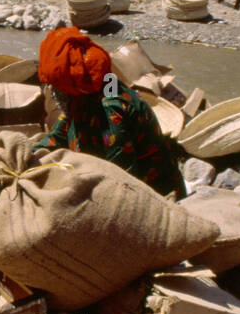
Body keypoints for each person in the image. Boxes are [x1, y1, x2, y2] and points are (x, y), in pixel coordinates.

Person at [33, 26, 184, 198]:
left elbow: (120, 179)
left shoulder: (111, 111)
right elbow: (58, 136)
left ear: (68, 89)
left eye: (56, 89)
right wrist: (30, 154)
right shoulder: (98, 85)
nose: (53, 94)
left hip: (152, 192)